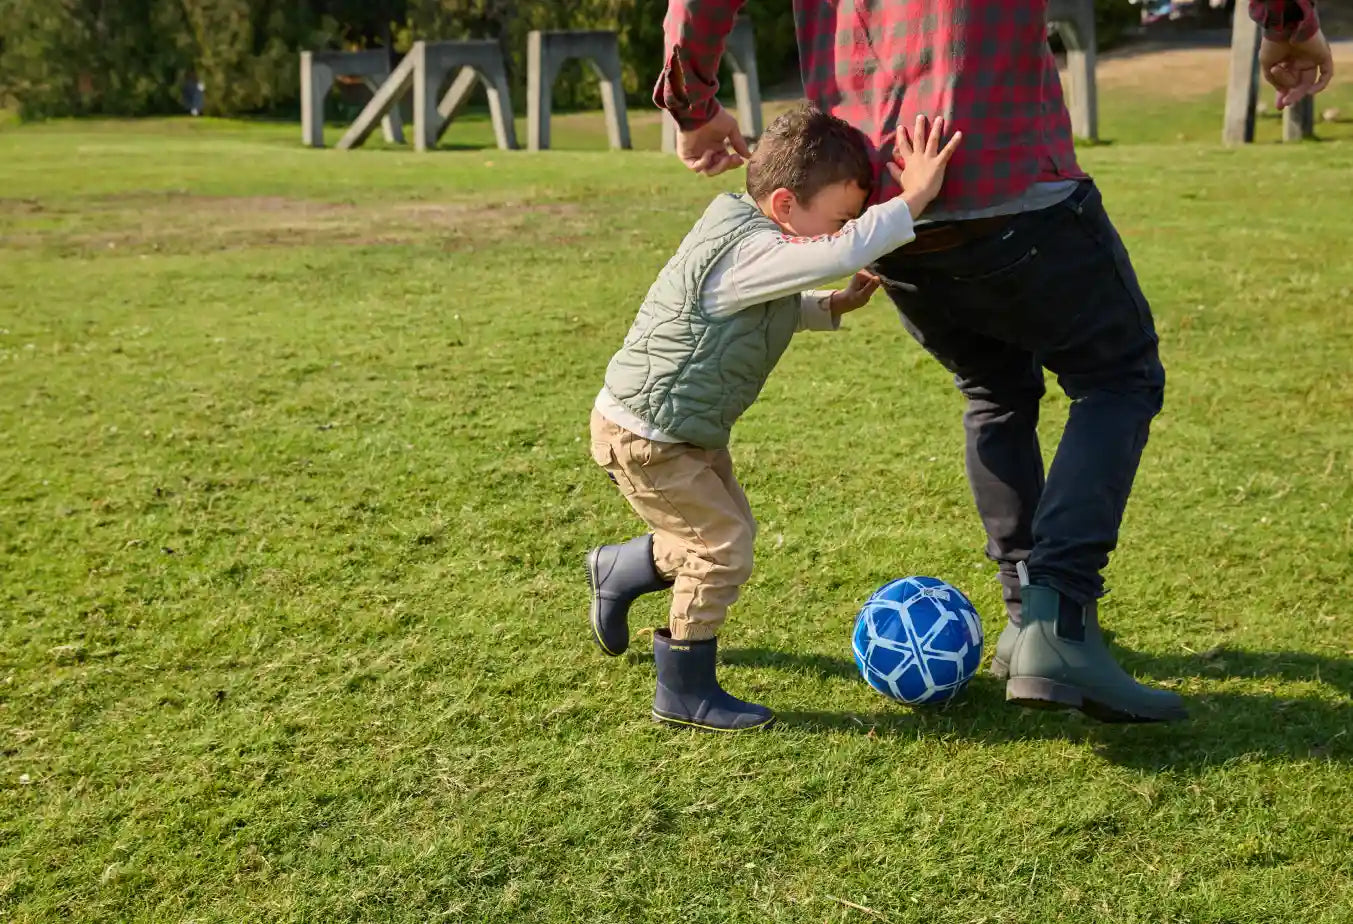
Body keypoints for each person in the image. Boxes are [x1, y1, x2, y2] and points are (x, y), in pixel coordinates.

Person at [652, 0, 1328, 723]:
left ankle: (1024, 618)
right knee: (1117, 376)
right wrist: (1288, 26)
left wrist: (694, 105)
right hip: (1005, 176)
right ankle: (1057, 620)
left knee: (994, 391)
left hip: (881, 202)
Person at [585, 105, 961, 731]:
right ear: (785, 203)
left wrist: (830, 306)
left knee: (724, 532)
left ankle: (620, 569)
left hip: (680, 428)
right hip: (647, 435)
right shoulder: (747, 249)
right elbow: (840, 253)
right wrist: (916, 196)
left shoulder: (753, 237)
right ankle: (682, 689)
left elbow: (755, 308)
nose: (846, 229)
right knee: (720, 549)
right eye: (840, 218)